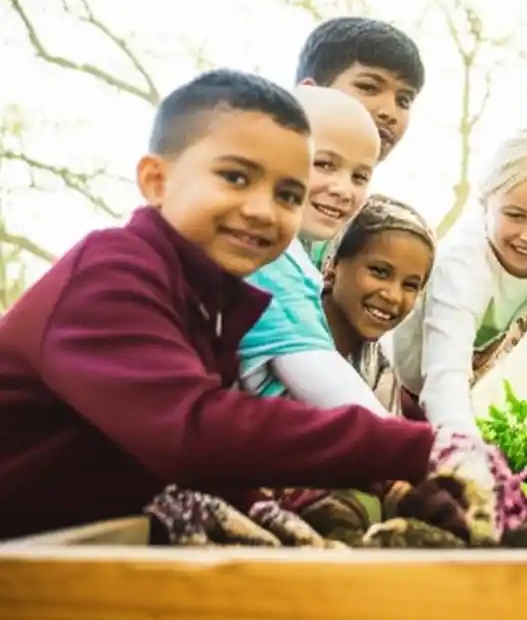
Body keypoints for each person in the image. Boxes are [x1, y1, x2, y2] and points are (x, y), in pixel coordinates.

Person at [0, 70, 470, 541]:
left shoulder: (213, 302)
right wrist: (423, 449)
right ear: (156, 180)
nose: (263, 210)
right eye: (235, 177)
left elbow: (165, 453)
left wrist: (263, 505)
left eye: (288, 194)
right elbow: (192, 431)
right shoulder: (109, 276)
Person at [393, 131, 527, 439]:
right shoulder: (464, 262)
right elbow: (445, 372)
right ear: (485, 203)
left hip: (465, 384)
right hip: (406, 391)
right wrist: (463, 448)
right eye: (515, 215)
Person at [237, 86, 387, 415]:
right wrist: (416, 452)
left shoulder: (292, 252)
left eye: (360, 176)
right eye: (324, 164)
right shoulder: (267, 256)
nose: (343, 189)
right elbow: (316, 370)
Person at [295, 16, 424, 268]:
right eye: (369, 87)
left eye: (404, 100)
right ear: (310, 91)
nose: (389, 111)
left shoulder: (344, 219)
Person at [321, 194, 436, 416]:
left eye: (410, 285)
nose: (393, 296)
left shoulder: (380, 375)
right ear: (333, 263)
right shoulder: (286, 335)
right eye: (380, 272)